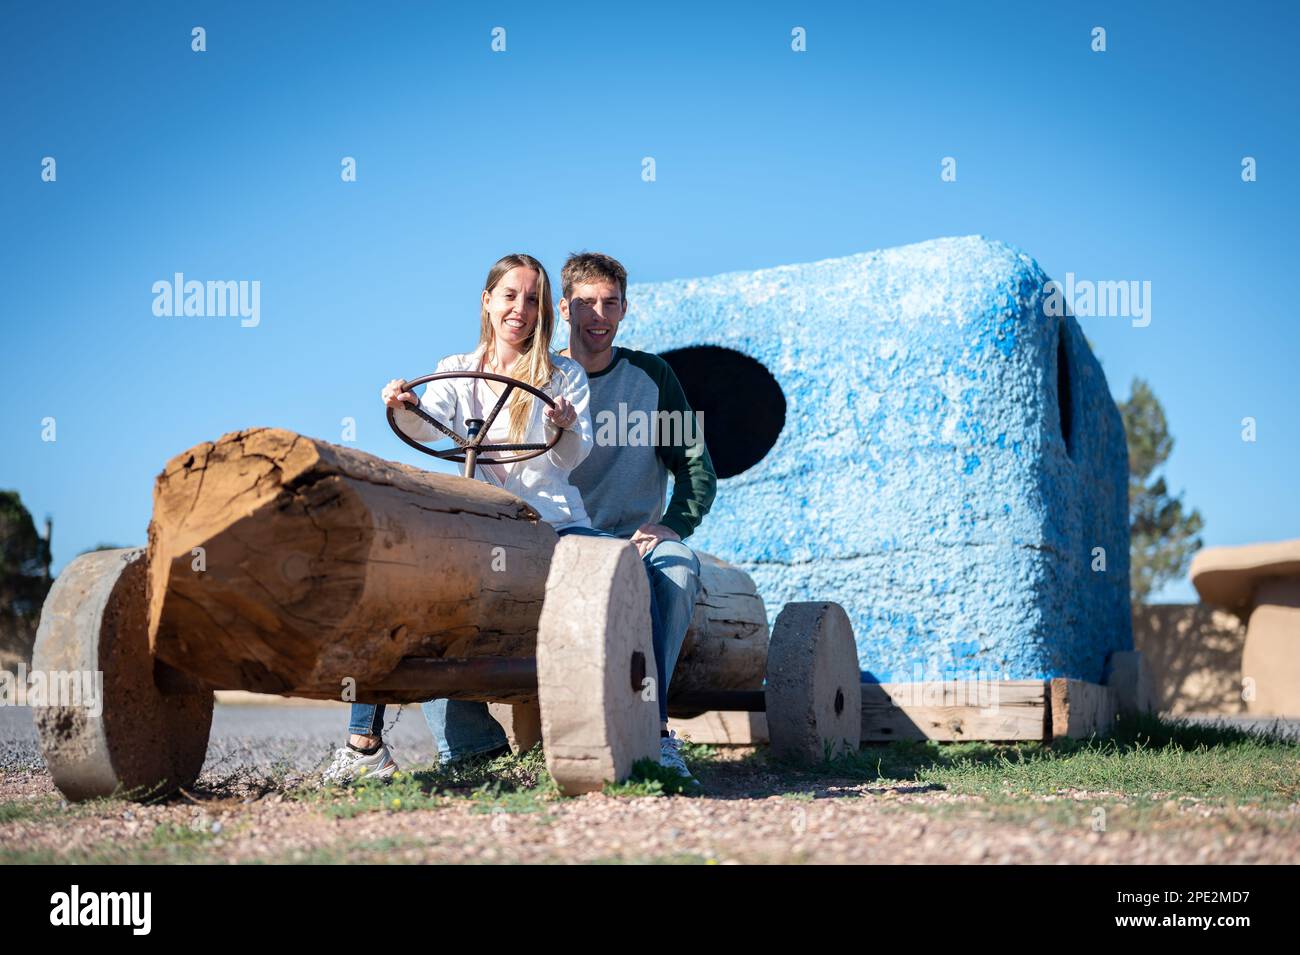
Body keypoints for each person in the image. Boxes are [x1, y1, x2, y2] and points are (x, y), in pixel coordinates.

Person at [323, 252, 592, 784]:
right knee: (401, 582)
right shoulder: (455, 372)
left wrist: (562, 427)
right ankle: (365, 745)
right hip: (482, 522)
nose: (521, 308)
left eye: (533, 299)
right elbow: (427, 423)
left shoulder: (563, 375)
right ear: (487, 301)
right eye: (510, 295)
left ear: (543, 312)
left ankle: (597, 726)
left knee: (597, 573)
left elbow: (569, 460)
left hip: (548, 519)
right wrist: (403, 404)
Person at [558, 251, 717, 782]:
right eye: (586, 303)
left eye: (610, 303)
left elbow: (696, 468)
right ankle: (470, 748)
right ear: (564, 308)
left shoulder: (653, 377)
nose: (598, 315)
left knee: (677, 566)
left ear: (624, 310)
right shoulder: (541, 377)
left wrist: (670, 525)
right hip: (558, 543)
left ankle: (654, 727)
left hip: (634, 545)